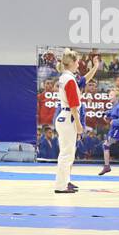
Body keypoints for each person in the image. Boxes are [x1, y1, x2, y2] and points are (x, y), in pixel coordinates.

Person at [53, 50, 83, 194]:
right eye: (77, 61)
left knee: (66, 153)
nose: (78, 64)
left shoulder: (64, 77)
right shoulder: (69, 80)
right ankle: (61, 185)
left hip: (64, 116)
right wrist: (78, 123)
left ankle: (64, 182)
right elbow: (73, 103)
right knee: (67, 154)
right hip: (69, 117)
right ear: (71, 63)